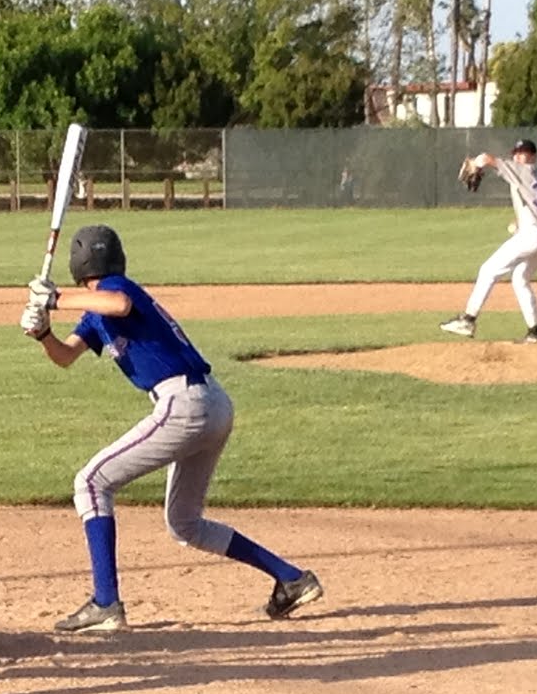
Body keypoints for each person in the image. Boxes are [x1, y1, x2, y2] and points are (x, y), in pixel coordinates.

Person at [19, 225, 323, 633]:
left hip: (186, 404)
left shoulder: (115, 287)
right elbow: (64, 356)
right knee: (185, 523)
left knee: (91, 482)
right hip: (210, 404)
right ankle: (291, 578)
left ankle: (106, 603)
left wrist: (55, 297)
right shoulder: (95, 313)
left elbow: (120, 302)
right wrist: (42, 333)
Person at [440, 138, 537, 344]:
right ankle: (536, 330)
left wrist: (476, 164)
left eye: (525, 153)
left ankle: (468, 320)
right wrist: (522, 220)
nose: (520, 156)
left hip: (531, 236)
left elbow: (487, 158)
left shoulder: (522, 171)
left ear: (533, 157)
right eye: (517, 153)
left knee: (488, 270)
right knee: (520, 279)